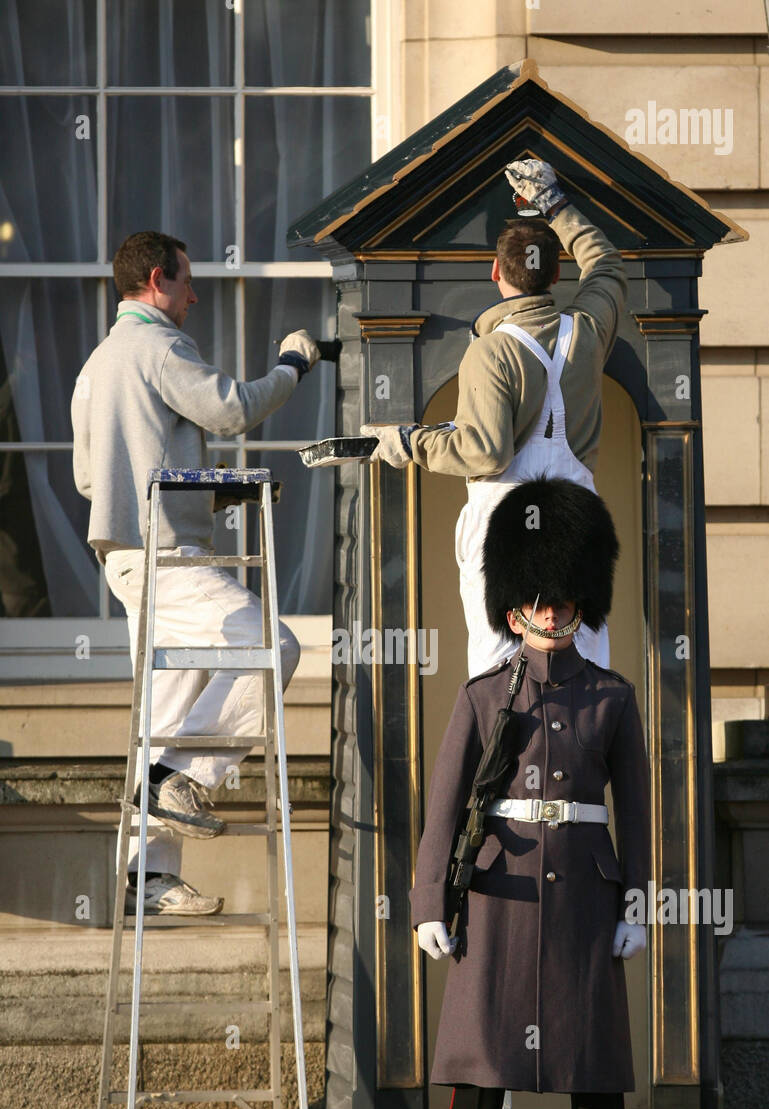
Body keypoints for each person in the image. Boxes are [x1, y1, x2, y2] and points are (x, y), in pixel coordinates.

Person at [410, 478, 673, 1109]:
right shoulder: (484, 697)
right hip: (500, 886)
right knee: (480, 1048)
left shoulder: (611, 698)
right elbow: (444, 806)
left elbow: (636, 809)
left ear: (579, 602)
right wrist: (430, 902)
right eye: (540, 597)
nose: (553, 610)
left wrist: (638, 901)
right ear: (514, 604)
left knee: (592, 1048)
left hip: (585, 888)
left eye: (563, 598)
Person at [72, 230, 320, 917]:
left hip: (125, 555)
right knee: (273, 647)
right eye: (186, 281)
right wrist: (293, 366)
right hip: (165, 556)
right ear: (157, 279)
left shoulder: (97, 363)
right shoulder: (159, 346)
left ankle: (145, 876)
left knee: (168, 710)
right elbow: (233, 407)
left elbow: (103, 475)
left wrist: (217, 494)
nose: (194, 295)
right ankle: (184, 778)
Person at [361, 157, 627, 678]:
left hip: (505, 520)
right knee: (587, 667)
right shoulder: (589, 332)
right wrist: (557, 205)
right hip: (577, 516)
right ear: (555, 274)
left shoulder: (490, 351)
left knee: (500, 670)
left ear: (495, 273)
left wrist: (408, 441)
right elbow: (608, 265)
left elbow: (484, 450)